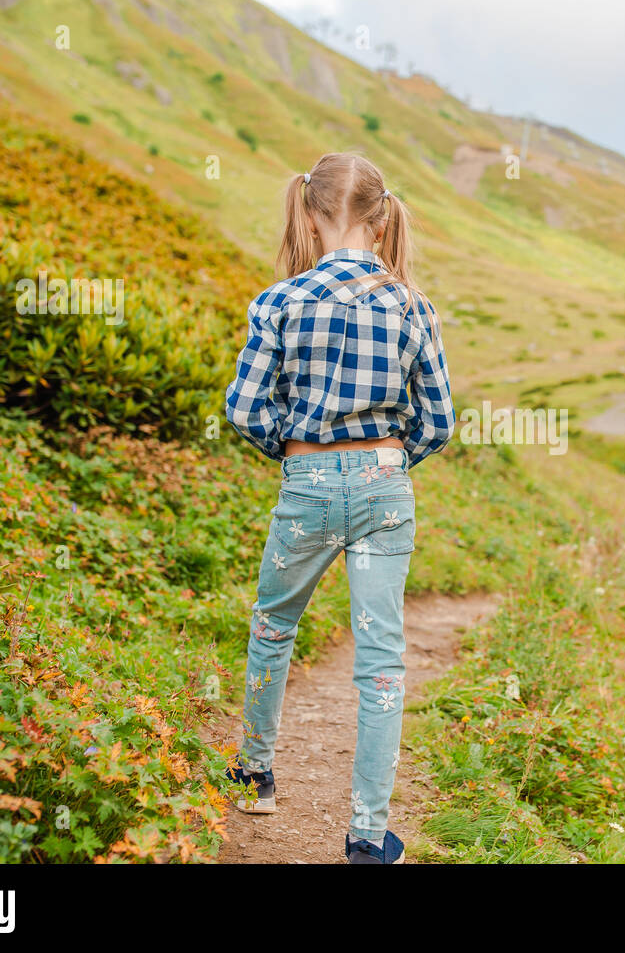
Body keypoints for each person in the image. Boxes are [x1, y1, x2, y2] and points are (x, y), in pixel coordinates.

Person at [224, 152, 455, 864]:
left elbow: (243, 409)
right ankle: (365, 837)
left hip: (308, 482)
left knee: (273, 627)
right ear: (382, 221)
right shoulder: (414, 306)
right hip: (386, 482)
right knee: (381, 658)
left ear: (311, 211)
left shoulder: (279, 302)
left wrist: (294, 451)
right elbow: (439, 420)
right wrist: (387, 460)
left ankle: (256, 774)